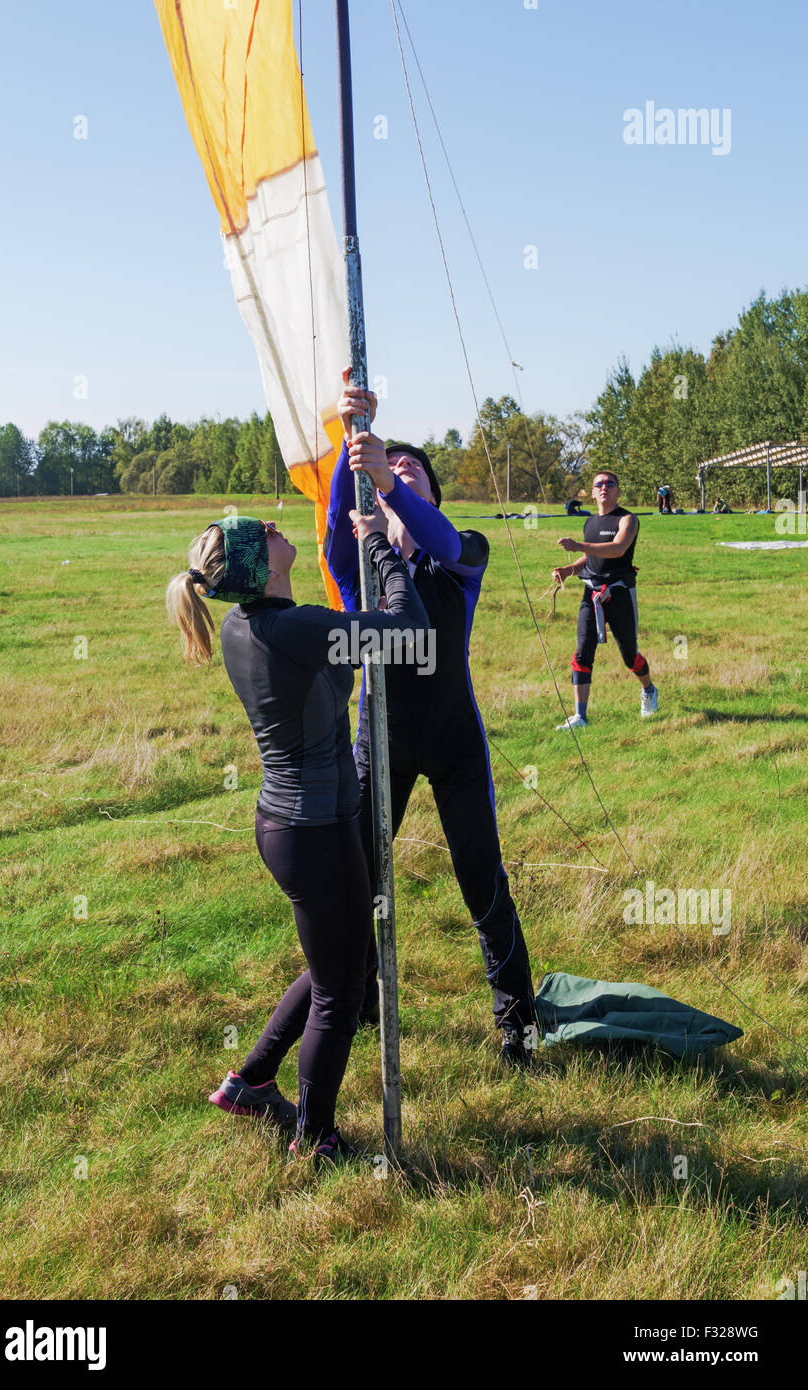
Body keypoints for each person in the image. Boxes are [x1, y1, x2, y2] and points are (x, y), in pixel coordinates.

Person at [166, 481, 428, 1163]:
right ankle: (315, 1138)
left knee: (341, 961)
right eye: (265, 531)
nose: (278, 528)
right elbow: (409, 634)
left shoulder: (245, 623)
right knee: (340, 990)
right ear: (260, 565)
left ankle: (250, 1080)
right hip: (311, 831)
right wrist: (382, 549)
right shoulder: (294, 628)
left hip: (303, 823)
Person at [324, 371, 538, 1069]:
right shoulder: (360, 571)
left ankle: (517, 1024)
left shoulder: (462, 555)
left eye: (414, 466)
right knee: (358, 878)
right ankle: (358, 1000)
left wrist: (388, 482)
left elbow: (441, 543)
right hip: (379, 740)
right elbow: (334, 533)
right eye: (392, 460)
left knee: (482, 881)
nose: (402, 464)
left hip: (454, 743)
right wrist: (350, 440)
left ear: (429, 497)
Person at [553, 469, 658, 729]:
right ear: (592, 492)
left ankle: (648, 690)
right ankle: (580, 717)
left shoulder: (628, 519)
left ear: (618, 491)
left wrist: (579, 545)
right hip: (591, 594)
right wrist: (568, 570)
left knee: (630, 656)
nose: (604, 487)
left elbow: (618, 548)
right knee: (582, 652)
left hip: (619, 593)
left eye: (610, 484)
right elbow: (589, 558)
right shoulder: (590, 523)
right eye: (599, 484)